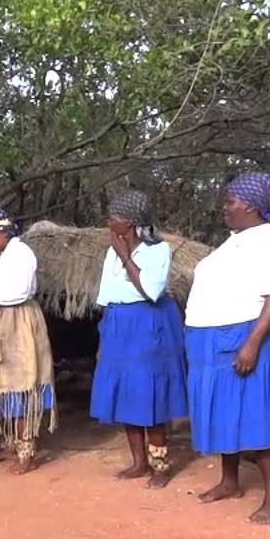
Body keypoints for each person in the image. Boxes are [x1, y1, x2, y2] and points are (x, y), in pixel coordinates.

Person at [184, 172, 270, 524]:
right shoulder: (234, 242)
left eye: (230, 202)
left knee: (255, 413)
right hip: (211, 338)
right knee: (222, 411)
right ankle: (229, 482)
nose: (225, 208)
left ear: (249, 205)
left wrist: (252, 344)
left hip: (245, 337)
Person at [89, 189, 187, 488]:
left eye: (114, 217)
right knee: (126, 393)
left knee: (149, 393)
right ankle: (139, 462)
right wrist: (104, 340)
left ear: (130, 223)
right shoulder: (110, 252)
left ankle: (160, 465)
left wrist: (124, 255)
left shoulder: (158, 251)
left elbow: (150, 290)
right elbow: (106, 298)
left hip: (149, 324)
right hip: (120, 324)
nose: (109, 223)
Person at [0, 207, 56, 474]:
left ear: (3, 231)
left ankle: (26, 452)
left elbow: (15, 292)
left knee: (22, 383)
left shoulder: (21, 255)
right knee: (1, 384)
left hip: (17, 322)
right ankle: (12, 442)